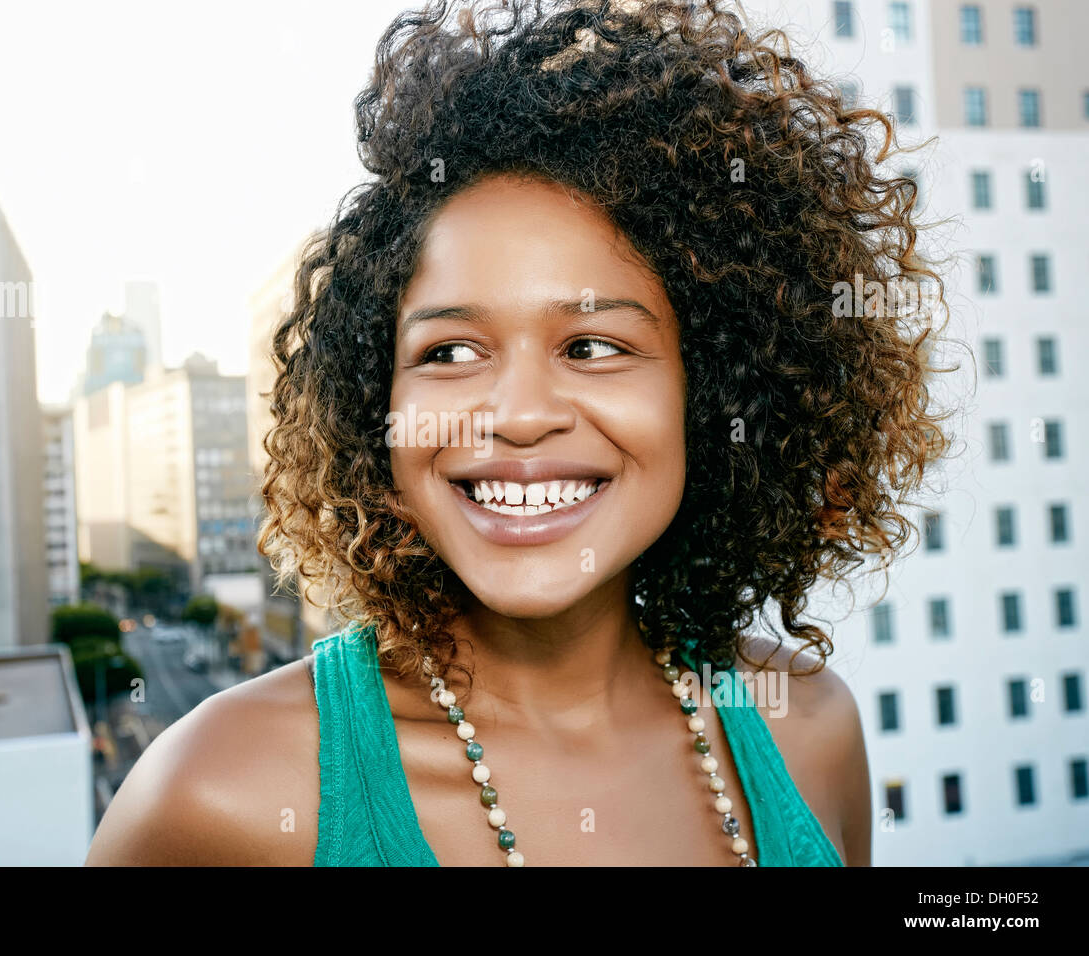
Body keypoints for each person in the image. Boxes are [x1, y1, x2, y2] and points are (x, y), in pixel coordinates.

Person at [86, 0, 950, 866]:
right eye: (451, 349)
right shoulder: (218, 796)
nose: (520, 413)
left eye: (594, 345)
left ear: (716, 387)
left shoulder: (809, 729)